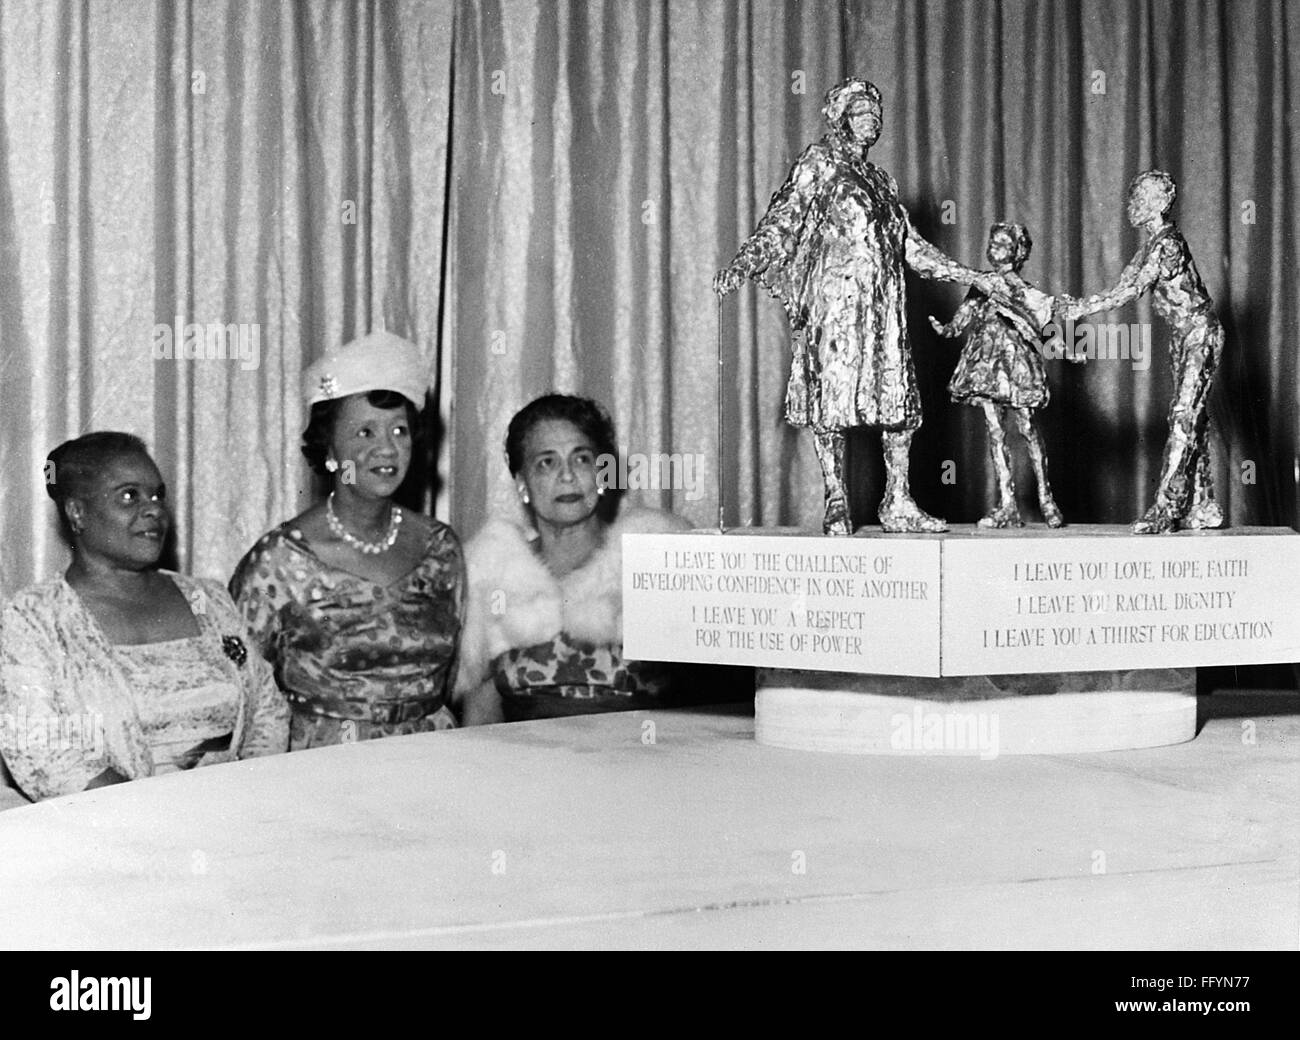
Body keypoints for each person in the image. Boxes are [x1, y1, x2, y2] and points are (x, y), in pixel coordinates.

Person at [715, 77, 1052, 535]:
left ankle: (898, 499)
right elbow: (783, 220)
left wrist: (975, 278)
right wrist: (742, 263)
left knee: (897, 401)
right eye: (861, 110)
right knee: (830, 398)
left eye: (876, 112)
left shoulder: (881, 180)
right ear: (839, 118)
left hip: (883, 308)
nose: (871, 119)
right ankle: (837, 497)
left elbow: (912, 248)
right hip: (835, 303)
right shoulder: (820, 164)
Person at [0, 433, 289, 801]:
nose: (154, 509)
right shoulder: (33, 619)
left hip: (238, 818)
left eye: (157, 495)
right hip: (116, 834)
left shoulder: (208, 598)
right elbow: (43, 755)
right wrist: (159, 817)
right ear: (77, 512)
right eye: (129, 495)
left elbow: (268, 712)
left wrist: (244, 801)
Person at [229, 331, 464, 749]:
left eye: (399, 431)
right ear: (329, 447)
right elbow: (242, 699)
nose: (387, 449)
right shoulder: (280, 560)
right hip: (324, 770)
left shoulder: (441, 548)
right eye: (365, 433)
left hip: (434, 759)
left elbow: (449, 679)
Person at [455, 394, 694, 723]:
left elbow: (700, 699)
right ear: (523, 484)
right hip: (525, 768)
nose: (567, 476)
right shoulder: (490, 574)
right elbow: (481, 711)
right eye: (546, 462)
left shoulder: (655, 560)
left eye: (581, 459)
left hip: (638, 765)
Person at [1059, 170, 1224, 534]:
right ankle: (1205, 503)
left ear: (1162, 203)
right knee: (1192, 418)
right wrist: (1082, 305)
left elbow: (1131, 291)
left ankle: (1167, 508)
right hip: (1182, 337)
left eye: (1141, 197)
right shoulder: (1148, 246)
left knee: (1185, 416)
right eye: (1132, 196)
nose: (1132, 203)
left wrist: (1081, 309)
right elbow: (1121, 286)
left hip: (1199, 333)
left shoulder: (1168, 245)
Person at [931, 222, 1083, 528]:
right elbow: (961, 320)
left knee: (1028, 428)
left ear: (1017, 252)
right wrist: (945, 329)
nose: (995, 248)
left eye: (1003, 244)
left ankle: (1046, 499)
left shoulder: (1025, 292)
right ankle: (1007, 502)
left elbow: (1044, 329)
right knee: (995, 433)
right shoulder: (982, 284)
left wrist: (1068, 350)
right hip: (986, 367)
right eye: (992, 242)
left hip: (1017, 366)